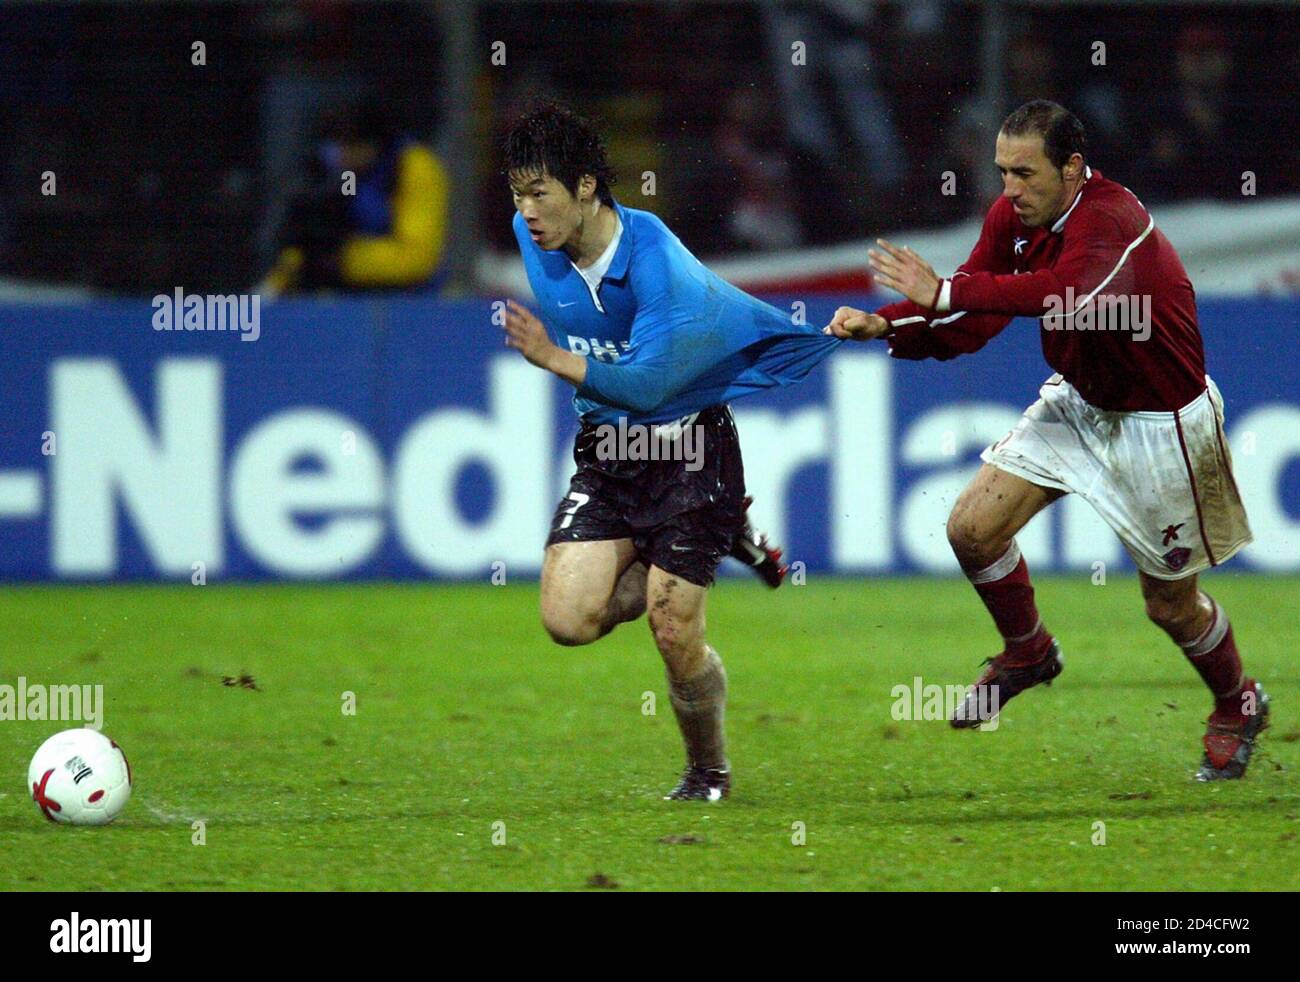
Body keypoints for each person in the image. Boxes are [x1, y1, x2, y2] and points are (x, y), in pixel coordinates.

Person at [826, 100, 1266, 781]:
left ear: (1072, 167)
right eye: (1002, 171)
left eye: (1025, 173)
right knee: (971, 529)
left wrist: (942, 292)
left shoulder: (1113, 219)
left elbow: (1066, 295)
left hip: (1161, 426)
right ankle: (1028, 652)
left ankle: (1237, 702)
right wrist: (887, 325)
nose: (1010, 190)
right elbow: (971, 315)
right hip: (1080, 406)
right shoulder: (1014, 217)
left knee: (1168, 606)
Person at [499, 101, 840, 800]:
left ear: (586, 187)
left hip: (691, 452)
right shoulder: (530, 236)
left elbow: (652, 387)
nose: (526, 212)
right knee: (567, 621)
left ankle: (707, 771)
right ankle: (725, 539)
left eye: (540, 193)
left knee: (671, 622)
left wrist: (552, 358)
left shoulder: (657, 263)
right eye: (517, 193)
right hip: (608, 453)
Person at [262, 98, 449, 295]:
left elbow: (418, 257)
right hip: (353, 296)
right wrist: (274, 286)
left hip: (409, 300)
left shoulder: (413, 166)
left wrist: (342, 261)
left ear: (373, 144)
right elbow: (336, 223)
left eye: (350, 146)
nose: (343, 155)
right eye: (339, 146)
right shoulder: (348, 174)